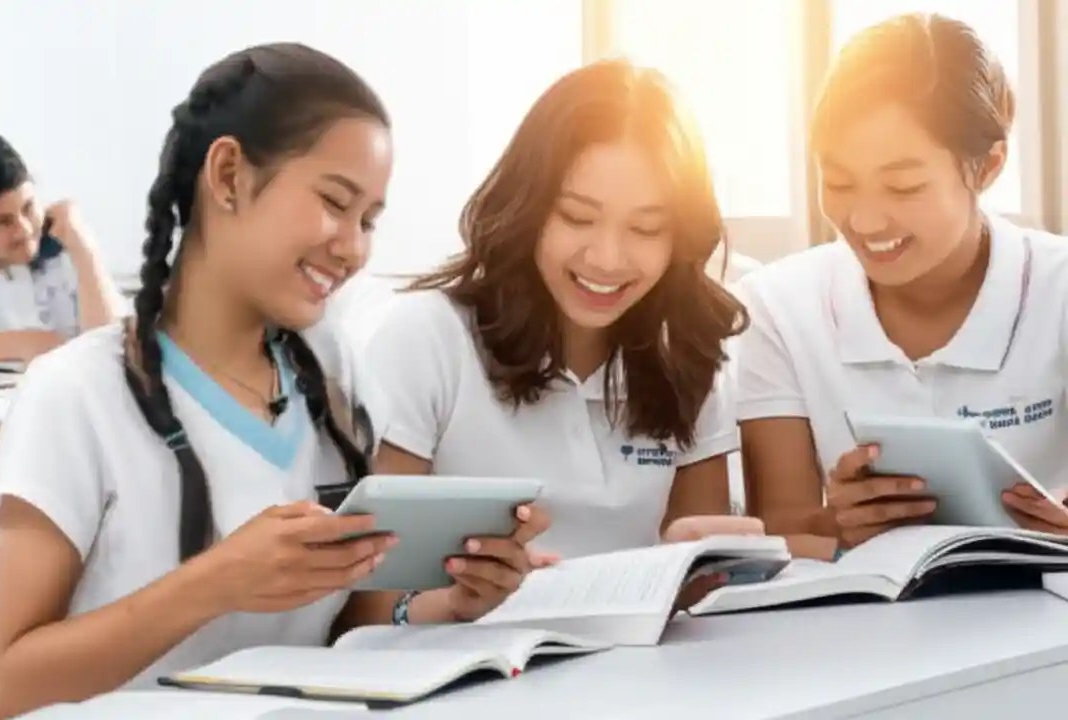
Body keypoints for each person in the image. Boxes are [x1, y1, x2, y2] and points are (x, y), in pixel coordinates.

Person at [0, 44, 546, 719]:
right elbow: (2, 690)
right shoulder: (74, 393)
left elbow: (334, 623)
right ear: (228, 174)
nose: (354, 247)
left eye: (369, 220)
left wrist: (446, 603)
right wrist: (214, 584)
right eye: (336, 202)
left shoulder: (331, 377)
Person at [346, 59, 761, 626]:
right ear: (530, 205)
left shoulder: (687, 355)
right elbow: (360, 604)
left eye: (645, 229)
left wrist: (699, 569)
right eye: (576, 217)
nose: (606, 259)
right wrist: (454, 604)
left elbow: (696, 601)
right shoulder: (429, 338)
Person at [736, 13, 1068, 558]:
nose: (865, 221)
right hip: (865, 628)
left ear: (987, 167)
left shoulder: (1055, 288)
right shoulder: (778, 306)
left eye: (904, 186)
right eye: (838, 182)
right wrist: (839, 524)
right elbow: (780, 530)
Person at [0, 132, 125, 366]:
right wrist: (26, 343)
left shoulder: (66, 243)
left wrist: (84, 247)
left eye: (28, 207)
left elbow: (111, 343)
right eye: (2, 222)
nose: (25, 230)